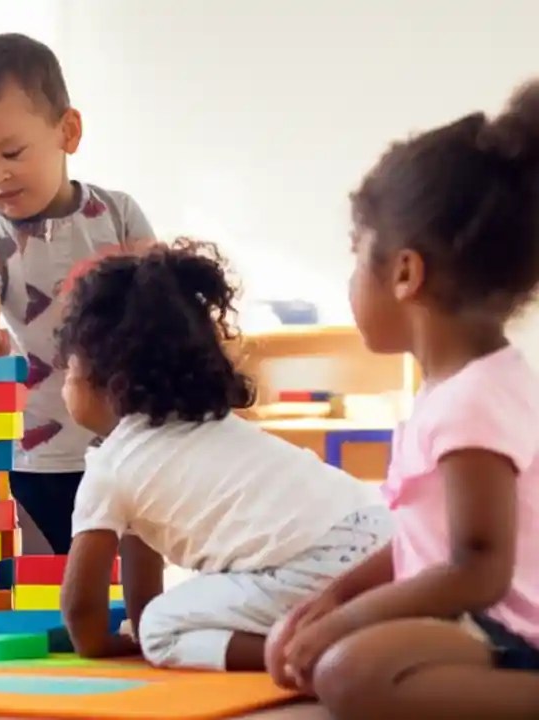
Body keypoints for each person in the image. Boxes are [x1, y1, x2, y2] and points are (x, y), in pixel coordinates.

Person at [266, 81, 539, 719]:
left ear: (405, 274)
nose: (350, 279)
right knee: (311, 647)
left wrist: (350, 620)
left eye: (356, 256)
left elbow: (479, 570)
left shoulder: (475, 401)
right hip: (475, 617)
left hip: (509, 628)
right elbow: (427, 543)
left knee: (350, 674)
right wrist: (332, 600)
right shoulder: (458, 386)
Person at [55, 239, 390, 671]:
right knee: (169, 610)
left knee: (162, 629)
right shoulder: (215, 424)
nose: (64, 386)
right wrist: (138, 621)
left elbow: (81, 605)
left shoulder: (111, 468)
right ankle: (367, 628)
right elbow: (142, 559)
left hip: (316, 571)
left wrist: (97, 644)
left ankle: (307, 655)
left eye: (70, 372)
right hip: (384, 539)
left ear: (109, 384)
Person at [0, 32, 156, 554]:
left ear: (68, 131)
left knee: (121, 576)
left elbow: (161, 292)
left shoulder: (117, 213)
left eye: (11, 152)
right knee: (43, 582)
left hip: (121, 443)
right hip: (31, 452)